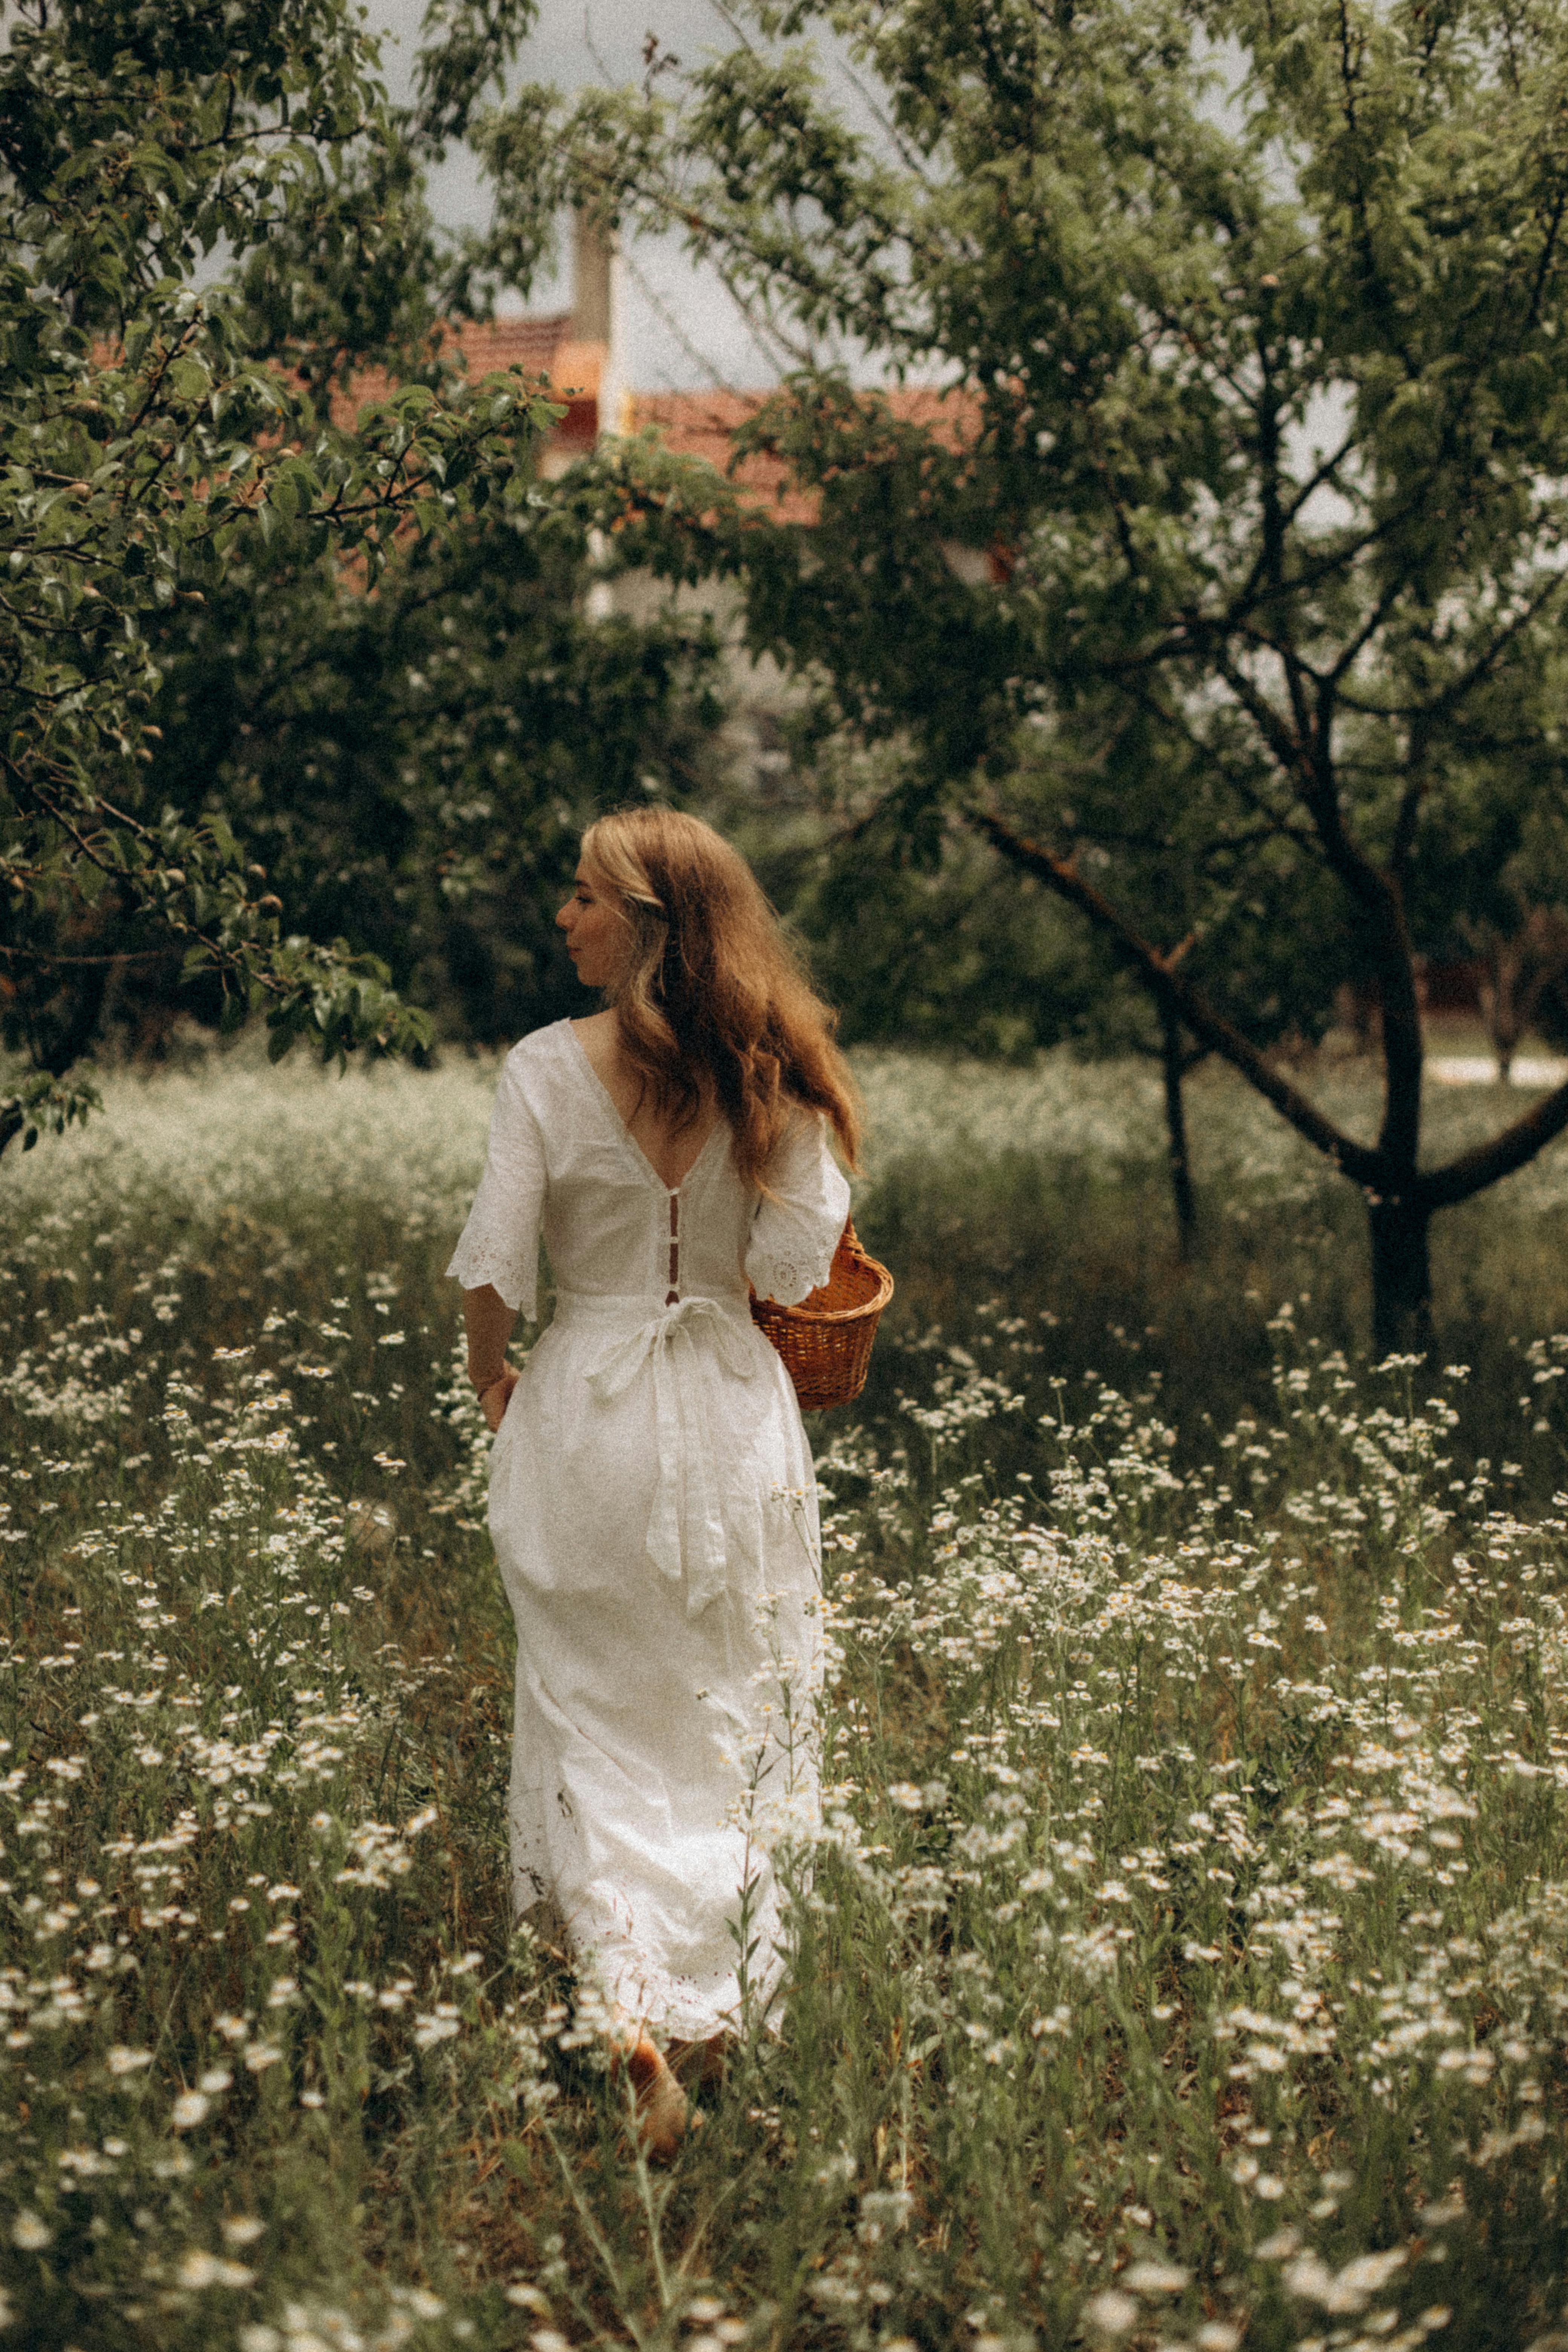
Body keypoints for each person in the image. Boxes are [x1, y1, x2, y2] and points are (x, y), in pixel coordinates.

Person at [446, 806, 859, 2157]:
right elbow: (801, 1273)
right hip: (733, 1412)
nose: (562, 916)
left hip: (585, 1414)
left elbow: (496, 1268)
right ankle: (718, 1999)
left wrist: (496, 1384)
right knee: (728, 1718)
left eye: (584, 896)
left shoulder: (542, 1071)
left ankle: (628, 2008)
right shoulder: (768, 1072)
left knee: (587, 1718)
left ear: (649, 924)